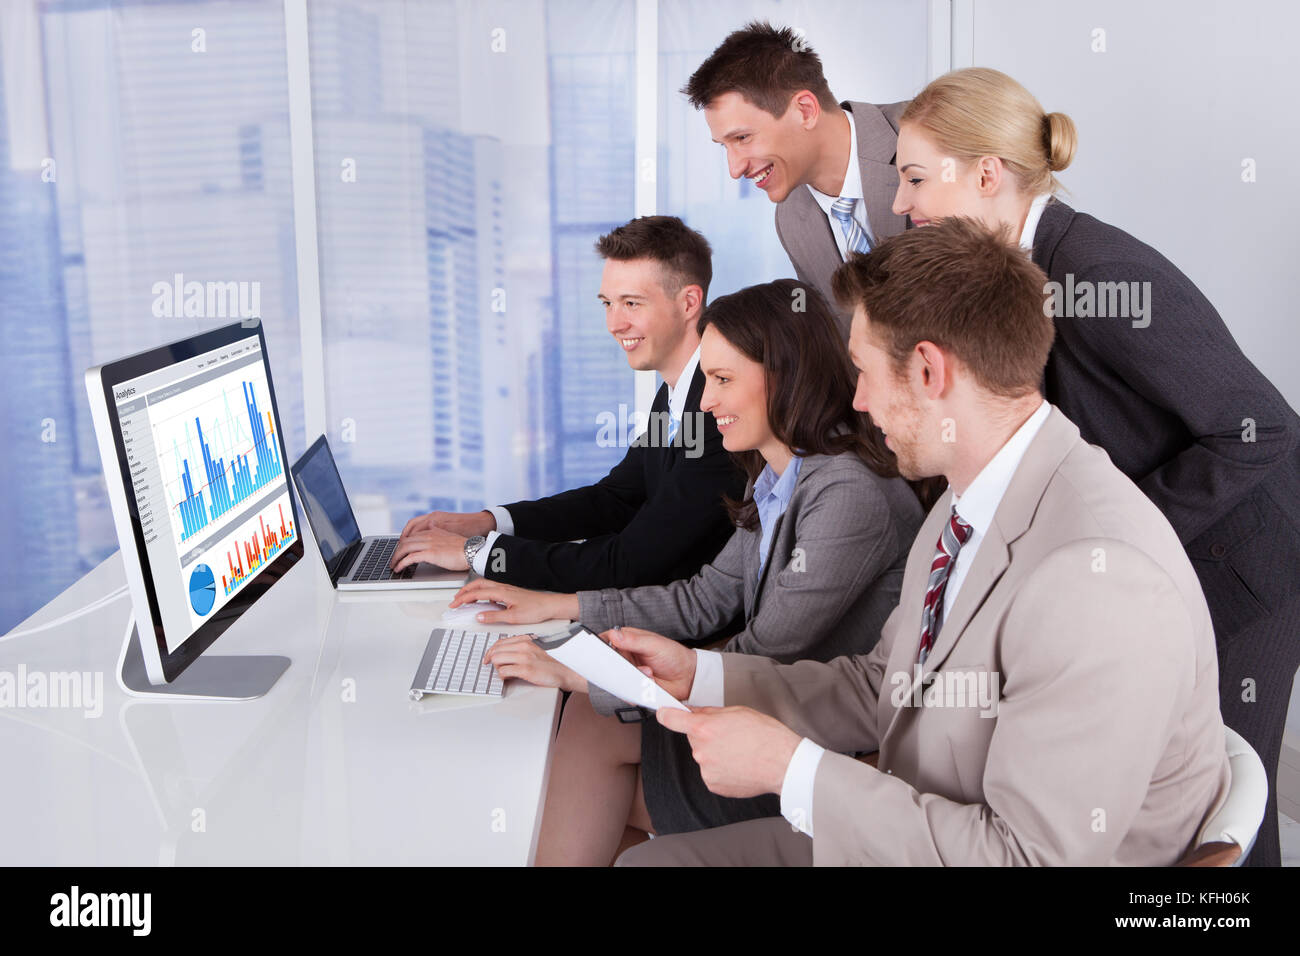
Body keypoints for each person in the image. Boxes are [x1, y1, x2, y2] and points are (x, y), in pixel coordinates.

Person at [609, 218, 1231, 867]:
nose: (858, 399)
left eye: (864, 371)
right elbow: (882, 683)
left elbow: (1028, 860)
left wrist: (792, 772)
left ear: (929, 370)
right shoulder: (964, 499)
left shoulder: (1097, 580)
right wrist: (703, 675)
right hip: (916, 830)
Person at [888, 67, 1300, 867]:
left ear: (986, 173)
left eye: (912, 177)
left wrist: (1119, 543)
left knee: (1218, 823)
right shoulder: (1026, 273)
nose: (902, 205)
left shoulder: (1100, 274)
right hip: (1181, 561)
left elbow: (1260, 430)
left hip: (1244, 568)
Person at [457, 279, 925, 865]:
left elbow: (766, 655)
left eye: (724, 381)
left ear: (782, 378)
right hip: (774, 714)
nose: (706, 403)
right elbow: (706, 596)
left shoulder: (846, 492)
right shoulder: (779, 474)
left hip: (816, 749)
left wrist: (582, 674)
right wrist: (560, 607)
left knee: (589, 761)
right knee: (591, 757)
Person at [389, 216, 744, 593]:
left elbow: (626, 563)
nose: (614, 323)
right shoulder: (675, 395)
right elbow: (615, 499)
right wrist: (488, 523)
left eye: (631, 303)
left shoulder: (717, 412)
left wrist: (478, 552)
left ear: (689, 302)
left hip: (689, 635)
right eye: (608, 303)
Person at [682, 21, 910, 338]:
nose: (734, 170)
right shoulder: (792, 220)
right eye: (724, 146)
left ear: (804, 110)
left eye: (743, 138)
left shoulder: (924, 132)